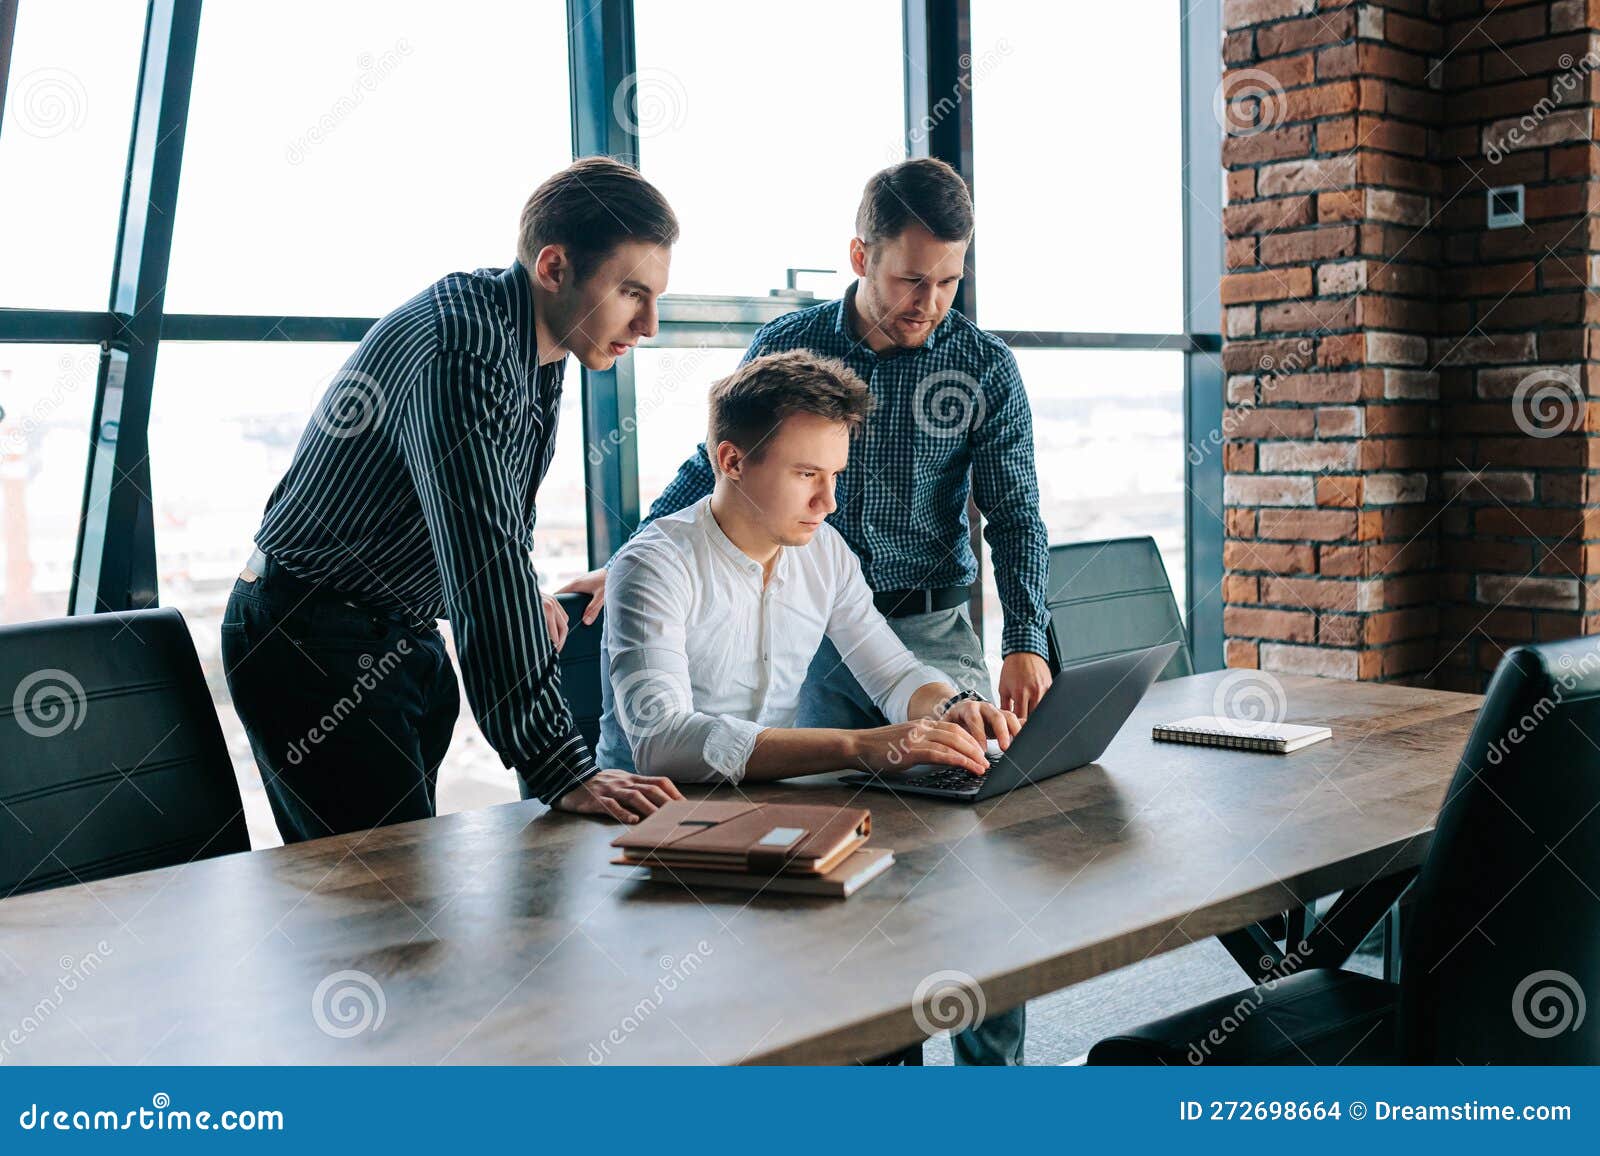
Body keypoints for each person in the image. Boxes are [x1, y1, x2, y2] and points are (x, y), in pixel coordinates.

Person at [566, 158, 1051, 1063]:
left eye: (950, 281)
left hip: (923, 619)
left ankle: (996, 1089)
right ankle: (876, 1064)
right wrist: (632, 555)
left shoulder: (981, 367)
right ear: (861, 254)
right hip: (810, 635)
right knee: (848, 869)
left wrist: (1013, 647)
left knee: (977, 870)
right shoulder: (793, 350)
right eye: (912, 279)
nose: (930, 302)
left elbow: (1015, 514)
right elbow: (716, 460)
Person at [222, 157, 682, 844]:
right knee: (382, 899)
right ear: (555, 268)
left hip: (394, 631)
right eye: (630, 294)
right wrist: (563, 767)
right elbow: (482, 563)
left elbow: (488, 507)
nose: (648, 325)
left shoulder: (535, 340)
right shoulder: (463, 346)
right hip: (312, 637)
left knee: (398, 887)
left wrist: (524, 589)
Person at [597, 350, 1020, 787]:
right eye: (805, 474)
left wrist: (950, 705)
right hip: (641, 816)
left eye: (834, 475)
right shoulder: (654, 565)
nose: (828, 502)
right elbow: (662, 743)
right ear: (732, 462)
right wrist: (857, 747)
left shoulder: (826, 552)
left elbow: (893, 675)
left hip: (766, 806)